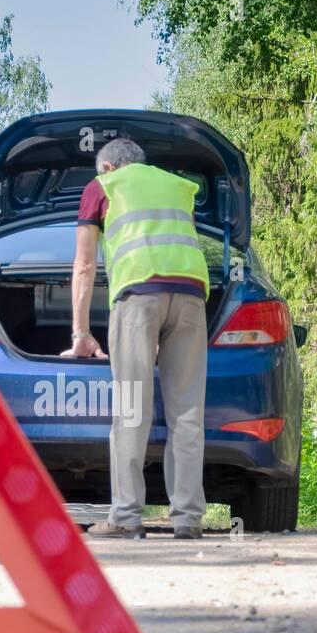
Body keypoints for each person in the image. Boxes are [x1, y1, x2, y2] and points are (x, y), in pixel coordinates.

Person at [62, 137, 208, 540]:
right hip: (192, 298)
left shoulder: (103, 188)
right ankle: (188, 519)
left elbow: (85, 263)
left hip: (138, 298)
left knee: (130, 409)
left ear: (108, 168)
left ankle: (126, 517)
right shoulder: (178, 186)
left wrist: (81, 333)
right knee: (187, 413)